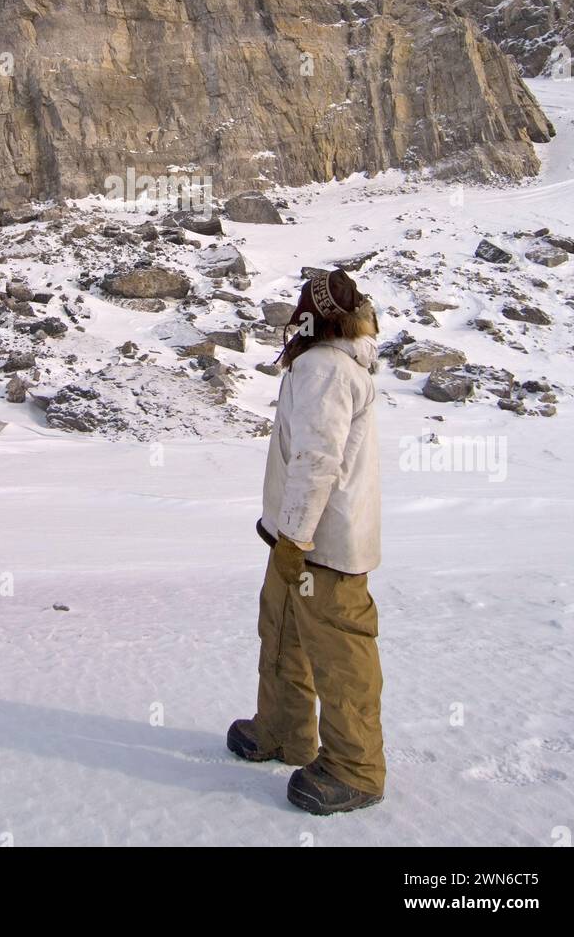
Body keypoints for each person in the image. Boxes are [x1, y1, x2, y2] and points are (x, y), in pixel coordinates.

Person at [227, 267, 386, 815]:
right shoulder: (326, 364)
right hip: (297, 538)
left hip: (322, 546)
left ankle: (355, 768)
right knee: (283, 631)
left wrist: (294, 539)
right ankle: (283, 730)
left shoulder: (323, 368)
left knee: (339, 651)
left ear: (313, 318)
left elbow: (317, 461)